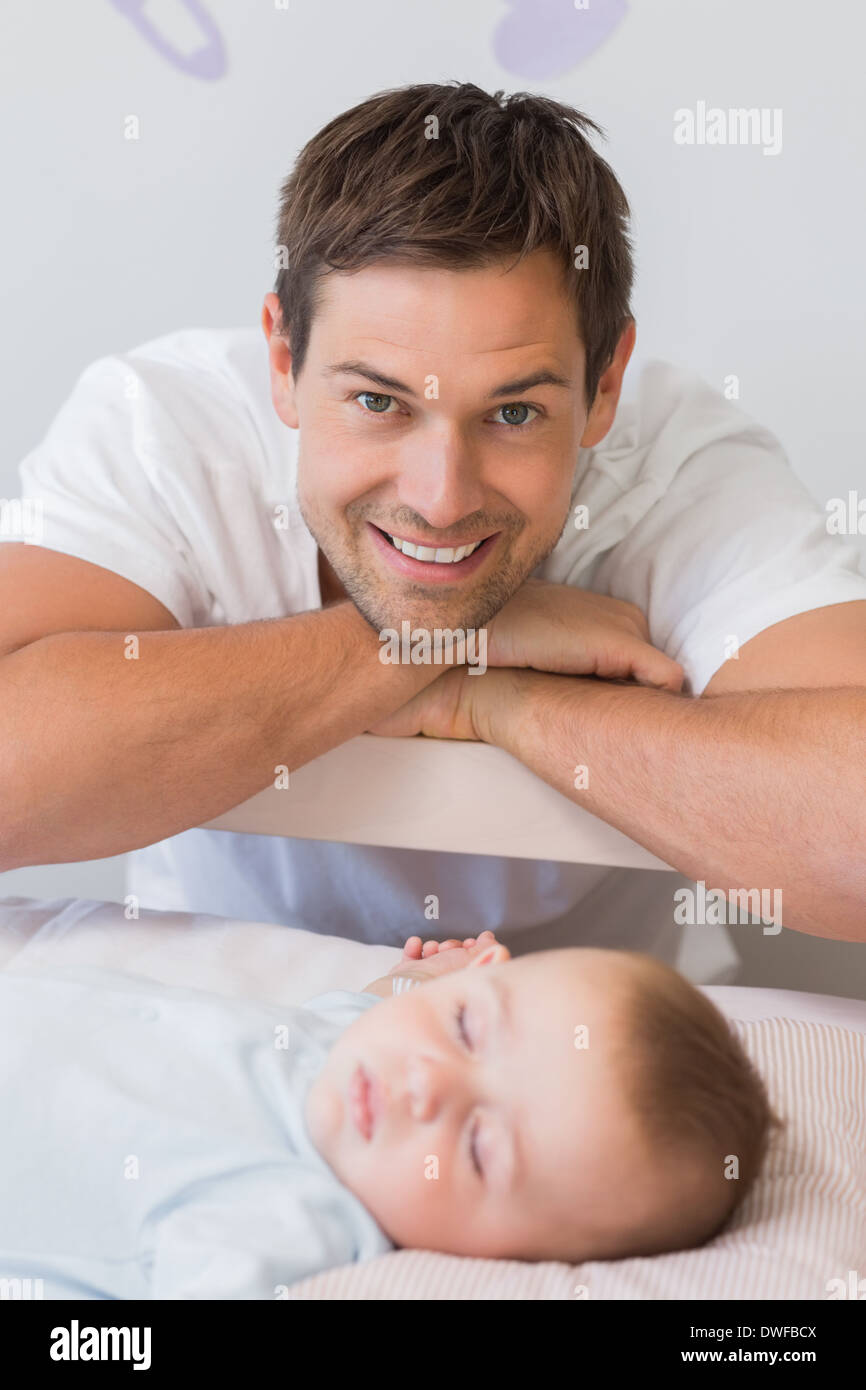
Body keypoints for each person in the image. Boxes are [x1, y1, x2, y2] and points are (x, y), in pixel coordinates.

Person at [3, 82, 865, 955]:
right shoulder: (167, 428)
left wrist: (497, 701)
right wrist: (432, 639)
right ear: (284, 358)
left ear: (605, 385)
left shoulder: (682, 471)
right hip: (219, 1037)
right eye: (378, 401)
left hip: (571, 1061)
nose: (442, 500)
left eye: (515, 413)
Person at [0, 933, 777, 1297]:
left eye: (478, 1148)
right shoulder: (356, 1048)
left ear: (502, 1262)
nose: (426, 1083)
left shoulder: (301, 1219)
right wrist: (422, 976)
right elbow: (373, 1005)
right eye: (468, 1026)